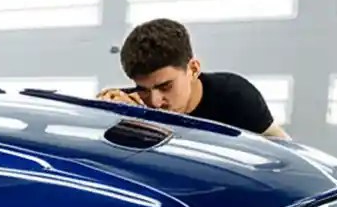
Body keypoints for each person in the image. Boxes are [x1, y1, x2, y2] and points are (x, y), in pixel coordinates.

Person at [97, 18, 290, 140]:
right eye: (143, 89)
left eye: (166, 86)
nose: (155, 102)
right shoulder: (132, 104)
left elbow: (286, 152)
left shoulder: (234, 96)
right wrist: (110, 116)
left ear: (193, 69)